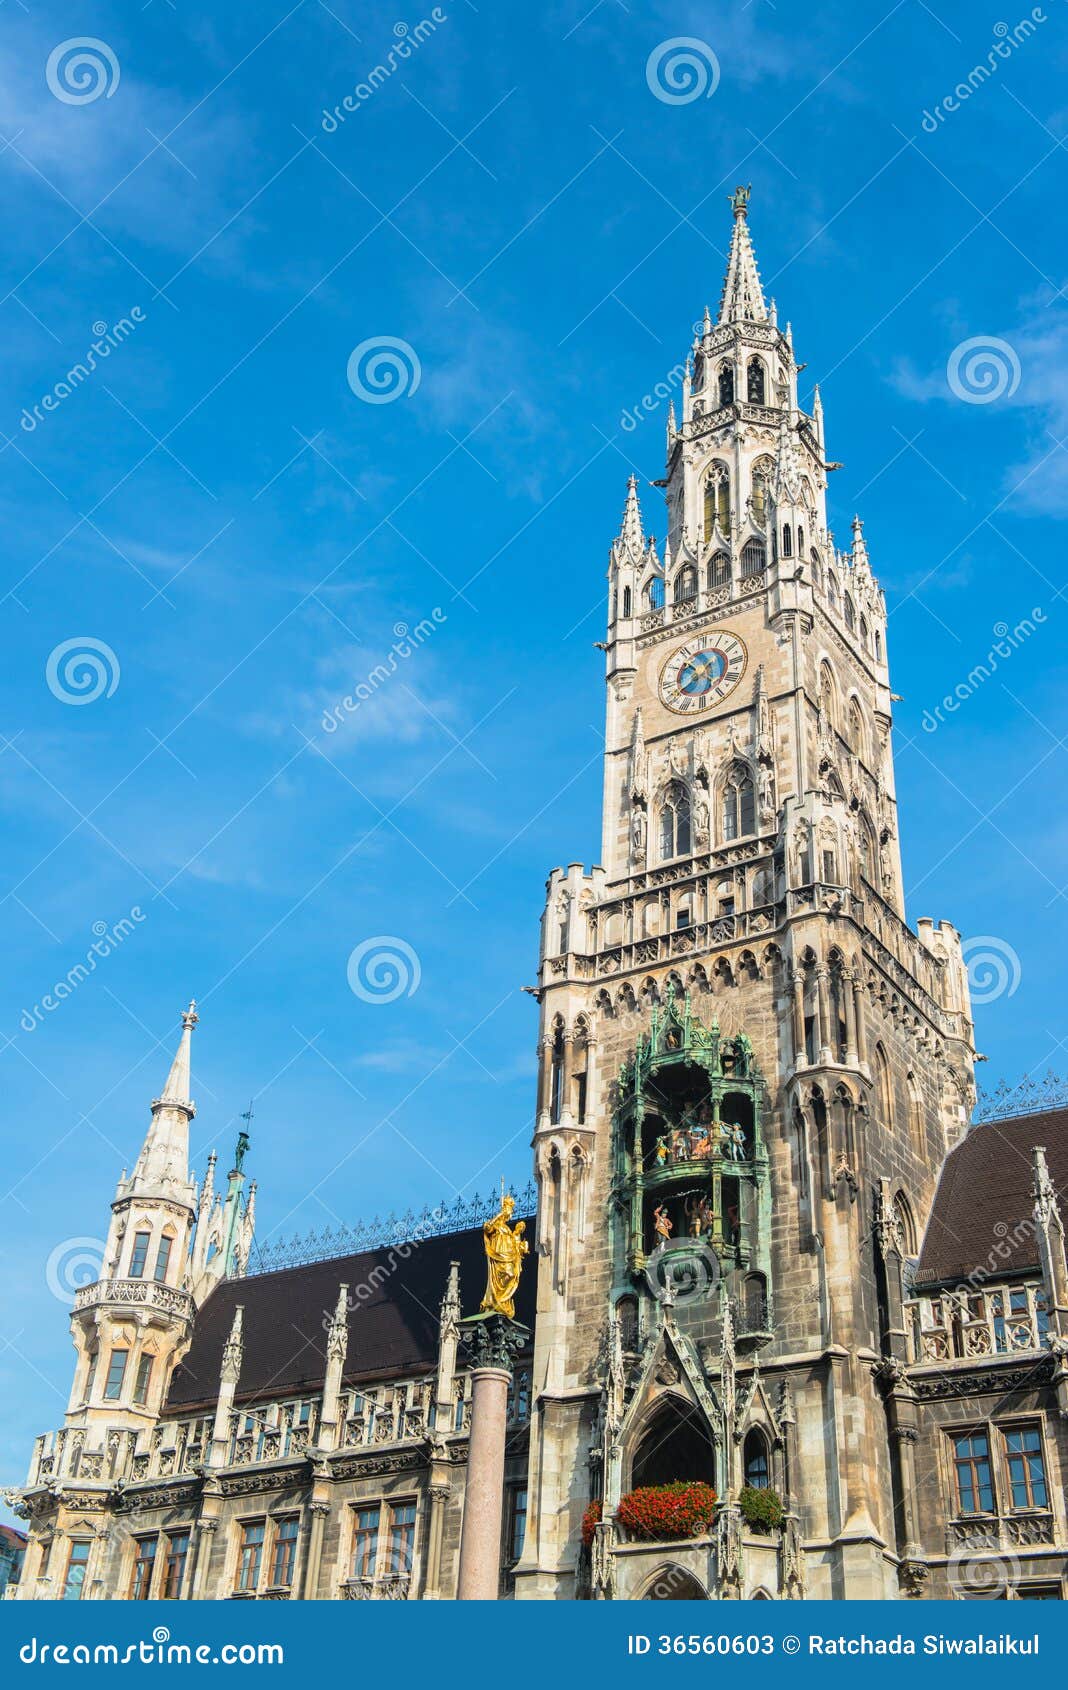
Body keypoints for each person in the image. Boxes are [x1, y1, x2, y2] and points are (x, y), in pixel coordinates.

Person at [479, 1193, 529, 1320]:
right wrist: (499, 1215)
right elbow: (487, 1227)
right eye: (507, 1209)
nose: (509, 1213)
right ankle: (495, 1301)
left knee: (511, 1274)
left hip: (508, 1255)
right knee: (506, 1274)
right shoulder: (496, 1225)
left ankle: (502, 1300)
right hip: (497, 1254)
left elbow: (515, 1245)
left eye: (510, 1211)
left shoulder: (508, 1229)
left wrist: (521, 1248)